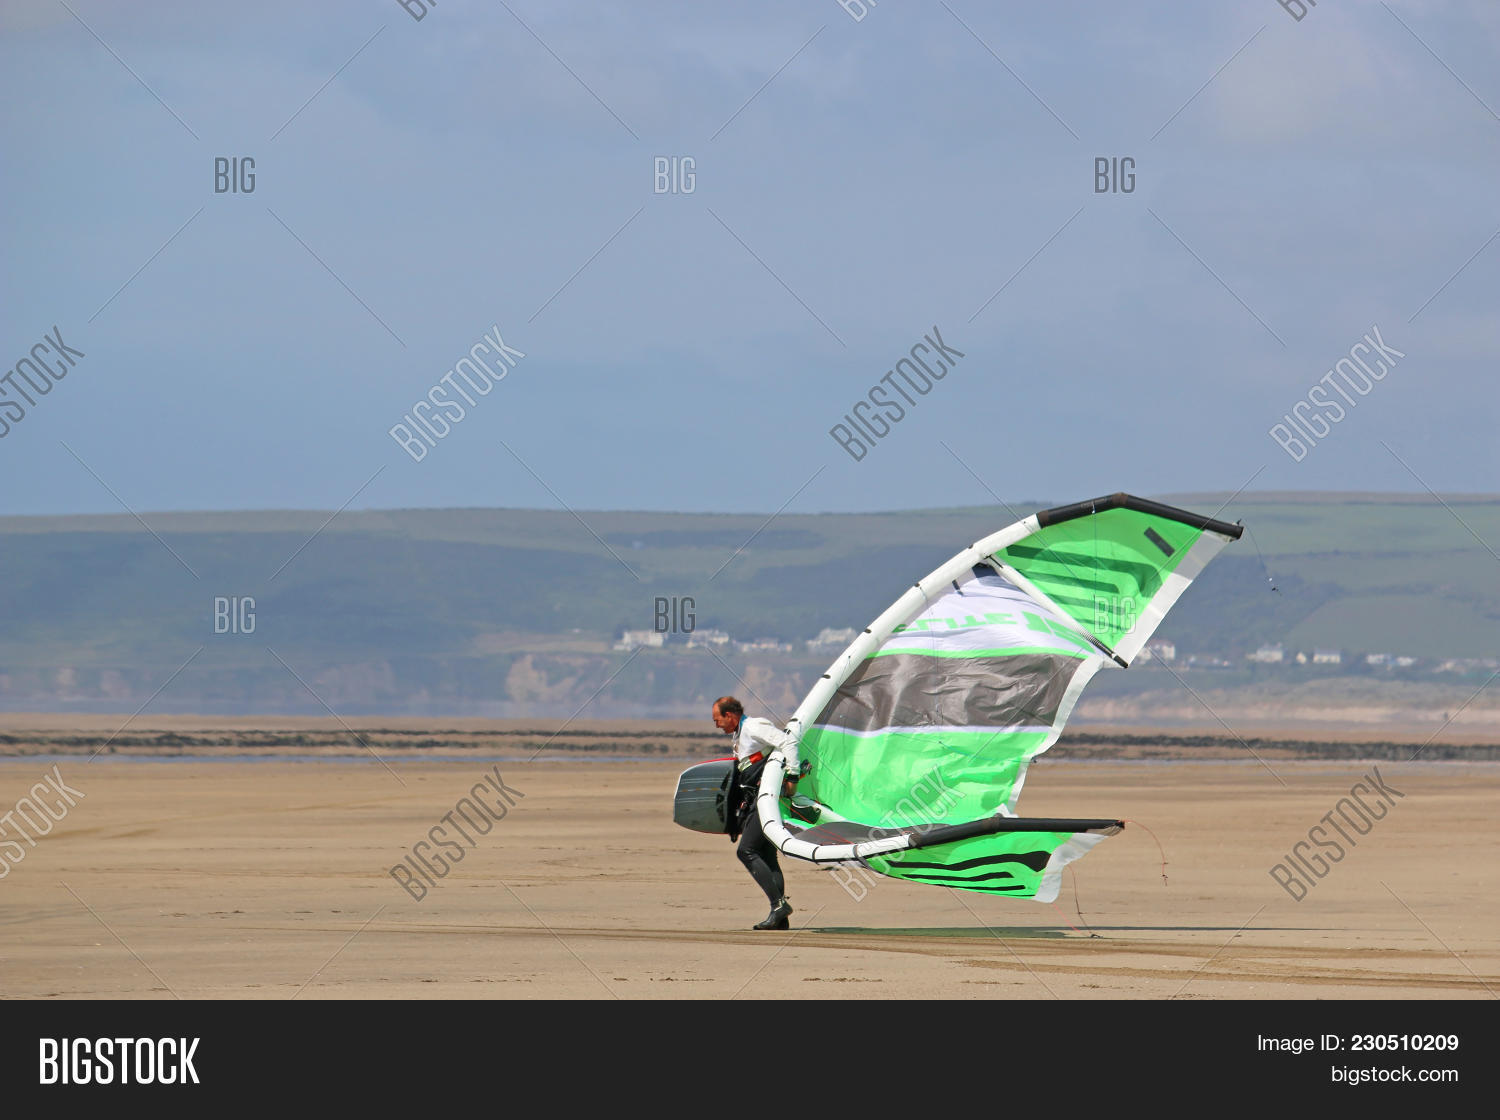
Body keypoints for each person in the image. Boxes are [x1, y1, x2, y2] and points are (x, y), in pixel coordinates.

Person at [711, 695, 802, 930]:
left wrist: (792, 776)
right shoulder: (740, 735)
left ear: (729, 715)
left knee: (747, 850)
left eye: (717, 719)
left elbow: (788, 742)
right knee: (768, 856)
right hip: (755, 800)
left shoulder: (754, 726)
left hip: (767, 800)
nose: (716, 725)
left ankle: (778, 905)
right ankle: (780, 918)